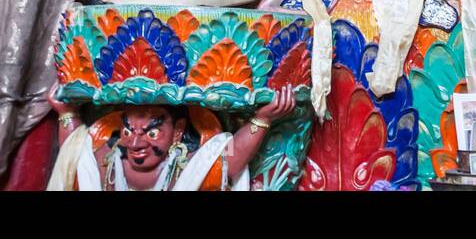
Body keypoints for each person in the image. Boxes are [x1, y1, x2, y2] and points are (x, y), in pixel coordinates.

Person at [46, 86, 296, 192]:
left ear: (178, 131)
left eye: (152, 133)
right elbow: (75, 159)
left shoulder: (191, 165)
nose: (135, 144)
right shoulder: (110, 160)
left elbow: (225, 163)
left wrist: (262, 119)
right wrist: (66, 113)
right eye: (128, 131)